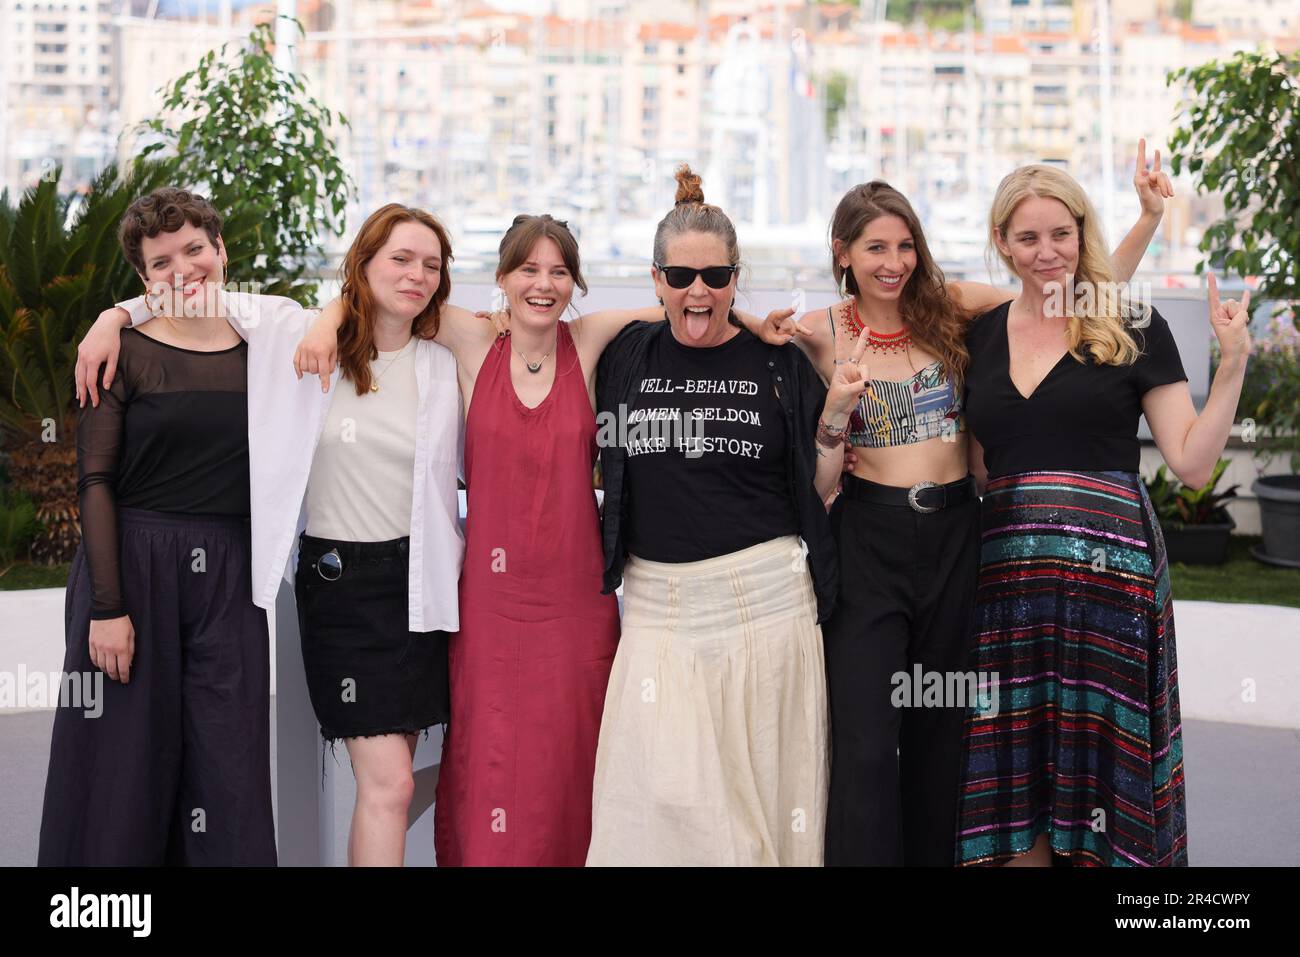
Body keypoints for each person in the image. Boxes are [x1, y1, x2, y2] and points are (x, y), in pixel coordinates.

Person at [299, 215, 796, 866]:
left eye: (559, 271)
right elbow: (380, 290)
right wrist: (322, 317)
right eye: (528, 270)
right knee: (491, 767)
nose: (544, 283)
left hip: (576, 606)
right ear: (500, 278)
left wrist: (755, 324)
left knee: (576, 766)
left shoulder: (586, 341)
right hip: (489, 609)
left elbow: (684, 302)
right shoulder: (473, 338)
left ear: (575, 283)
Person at [762, 142, 1172, 866]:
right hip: (868, 540)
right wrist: (831, 408)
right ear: (843, 252)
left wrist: (1145, 220)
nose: (894, 261)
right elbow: (816, 474)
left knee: (943, 730)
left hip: (957, 537)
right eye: (875, 247)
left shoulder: (951, 310)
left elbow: (1071, 295)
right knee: (863, 739)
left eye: (905, 245)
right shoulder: (813, 335)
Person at [75, 203, 465, 866]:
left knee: (412, 781)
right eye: (399, 258)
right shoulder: (297, 334)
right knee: (392, 782)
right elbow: (182, 292)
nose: (416, 274)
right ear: (361, 266)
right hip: (342, 591)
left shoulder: (446, 358)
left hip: (423, 595)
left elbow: (534, 314)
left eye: (431, 264)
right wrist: (113, 317)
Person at [956, 163, 1250, 866]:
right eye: (1027, 236)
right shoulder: (980, 333)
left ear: (1083, 231)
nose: (1047, 250)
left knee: (1101, 766)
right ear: (1002, 242)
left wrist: (1234, 362)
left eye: (1062, 232)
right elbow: (974, 466)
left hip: (1110, 587)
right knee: (1015, 765)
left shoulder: (1131, 322)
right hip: (1006, 591)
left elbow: (1191, 462)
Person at [585, 165, 867, 866]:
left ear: (737, 276)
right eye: (680, 277)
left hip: (766, 612)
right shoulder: (624, 356)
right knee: (653, 820)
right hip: (655, 617)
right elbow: (535, 326)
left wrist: (834, 415)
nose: (698, 290)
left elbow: (820, 485)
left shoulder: (778, 364)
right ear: (655, 281)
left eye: (716, 276)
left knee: (759, 827)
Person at [39, 187, 276, 865]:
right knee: (122, 773)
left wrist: (115, 309)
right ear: (145, 279)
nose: (184, 270)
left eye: (195, 249)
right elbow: (95, 482)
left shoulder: (265, 346)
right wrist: (108, 605)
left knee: (228, 767)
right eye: (162, 262)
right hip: (131, 571)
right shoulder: (122, 355)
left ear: (221, 249)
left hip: (230, 579)